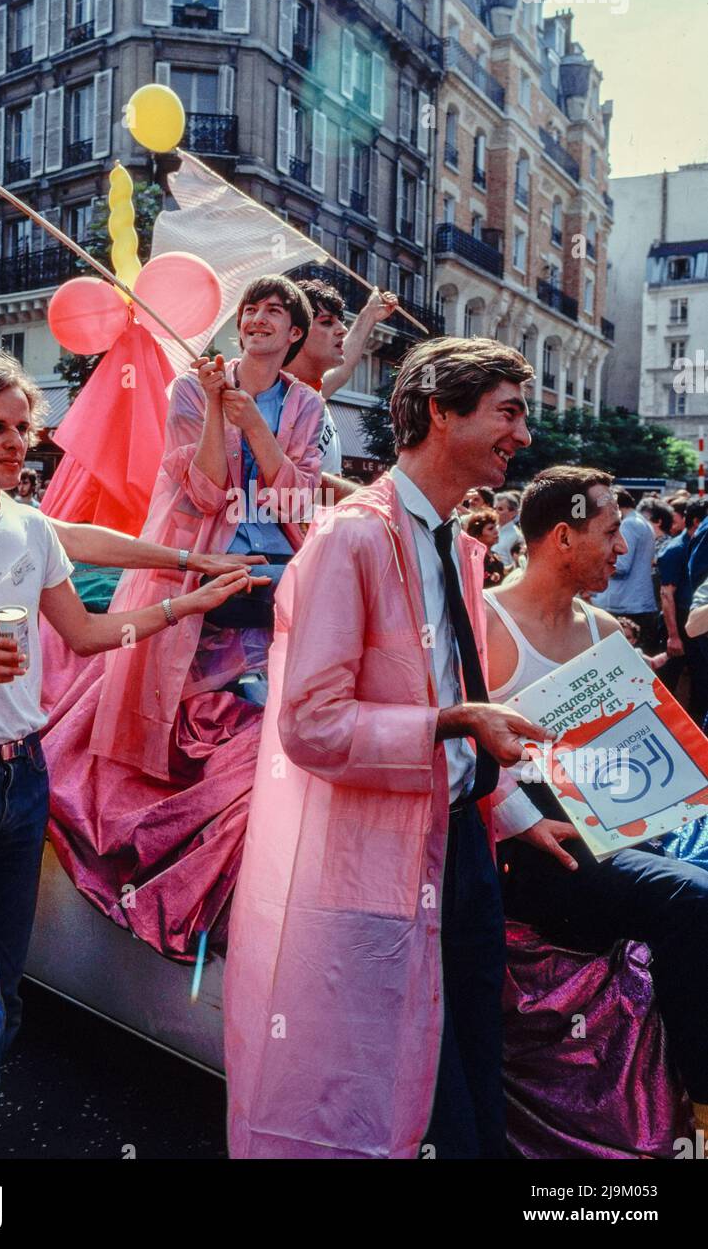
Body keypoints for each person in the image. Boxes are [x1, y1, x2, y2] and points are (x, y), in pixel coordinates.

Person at [0, 348, 249, 1159]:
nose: (17, 443)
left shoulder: (31, 529)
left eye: (24, 428)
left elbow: (88, 633)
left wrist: (185, 603)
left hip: (19, 781)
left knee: (3, 1001)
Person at [224, 335, 554, 1160]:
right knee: (403, 1098)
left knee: (471, 1068)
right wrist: (446, 725)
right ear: (440, 413)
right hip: (382, 863)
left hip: (463, 852)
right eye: (507, 413)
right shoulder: (352, 538)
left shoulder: (457, 545)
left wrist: (512, 812)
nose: (523, 435)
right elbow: (310, 723)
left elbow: (458, 695)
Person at [40, 275, 326, 958]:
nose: (257, 319)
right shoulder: (190, 388)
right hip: (194, 567)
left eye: (274, 312)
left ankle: (235, 872)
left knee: (254, 717)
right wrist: (222, 418)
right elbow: (199, 493)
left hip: (272, 582)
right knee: (172, 709)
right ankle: (151, 847)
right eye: (249, 309)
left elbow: (298, 506)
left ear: (293, 335)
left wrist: (254, 424)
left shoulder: (308, 403)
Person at [485, 465, 708, 1150]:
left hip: (613, 826)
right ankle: (701, 1106)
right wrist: (517, 820)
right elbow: (452, 756)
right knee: (693, 901)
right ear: (561, 537)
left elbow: (654, 760)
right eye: (610, 532)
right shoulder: (485, 623)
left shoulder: (607, 628)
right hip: (533, 851)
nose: (624, 548)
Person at [287, 278, 397, 493]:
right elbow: (300, 484)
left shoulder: (311, 391)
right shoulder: (276, 397)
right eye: (327, 322)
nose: (342, 330)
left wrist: (369, 315)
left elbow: (343, 370)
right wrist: (370, 501)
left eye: (340, 321)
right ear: (295, 332)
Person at [657, 495, 708, 721]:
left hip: (694, 629)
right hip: (680, 624)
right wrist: (673, 636)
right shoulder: (675, 550)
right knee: (669, 681)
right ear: (697, 521)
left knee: (699, 681)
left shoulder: (691, 544)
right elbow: (666, 594)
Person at [590, 486, 658, 646]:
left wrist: (594, 563)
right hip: (636, 602)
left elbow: (621, 565)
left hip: (627, 605)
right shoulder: (642, 522)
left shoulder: (628, 524)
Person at [465, 506, 506, 587]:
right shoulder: (475, 558)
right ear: (477, 535)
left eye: (495, 527)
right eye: (490, 529)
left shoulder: (495, 555)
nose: (496, 532)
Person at [492, 489, 521, 564]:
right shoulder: (491, 531)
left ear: (513, 513)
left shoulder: (516, 536)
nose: (495, 512)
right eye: (494, 508)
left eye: (500, 509)